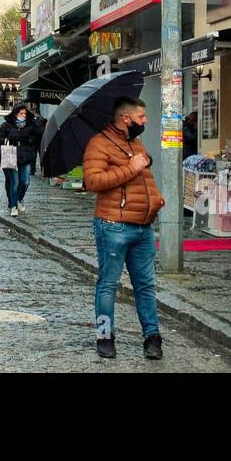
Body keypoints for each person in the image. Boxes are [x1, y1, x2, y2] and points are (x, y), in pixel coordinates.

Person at [82, 96, 166, 360]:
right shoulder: (99, 143)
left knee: (146, 285)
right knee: (108, 285)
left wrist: (156, 200)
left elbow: (142, 180)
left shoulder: (134, 143)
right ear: (126, 118)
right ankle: (105, 337)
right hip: (113, 226)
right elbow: (92, 181)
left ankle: (152, 338)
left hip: (143, 227)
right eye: (142, 117)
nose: (145, 121)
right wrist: (131, 168)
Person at [0, 102, 43, 217]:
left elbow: (39, 134)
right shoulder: (7, 125)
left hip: (26, 156)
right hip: (12, 156)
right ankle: (13, 206)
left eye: (25, 113)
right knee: (15, 182)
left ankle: (20, 199)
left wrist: (33, 136)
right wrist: (6, 140)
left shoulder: (30, 125)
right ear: (16, 114)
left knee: (25, 182)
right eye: (21, 113)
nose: (23, 115)